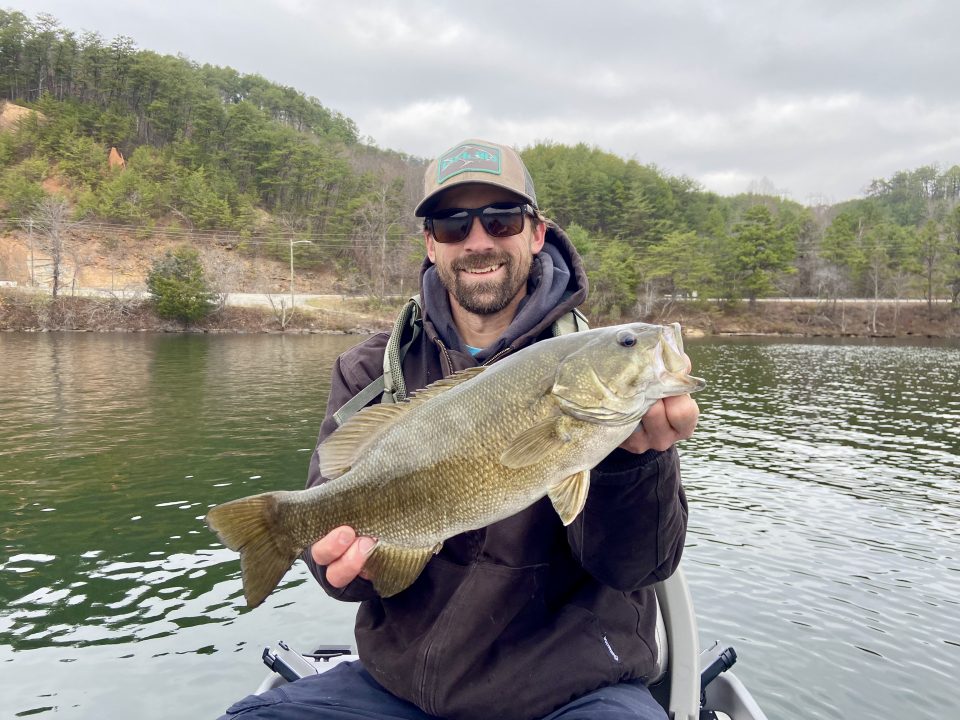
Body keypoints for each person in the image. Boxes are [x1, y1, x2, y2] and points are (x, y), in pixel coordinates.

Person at [217, 139, 699, 720]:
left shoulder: (598, 385)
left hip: (574, 692)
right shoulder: (369, 373)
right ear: (430, 243)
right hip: (399, 689)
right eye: (451, 224)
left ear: (537, 233)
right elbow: (346, 574)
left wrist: (632, 463)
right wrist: (338, 564)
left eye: (501, 219)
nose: (478, 240)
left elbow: (637, 570)